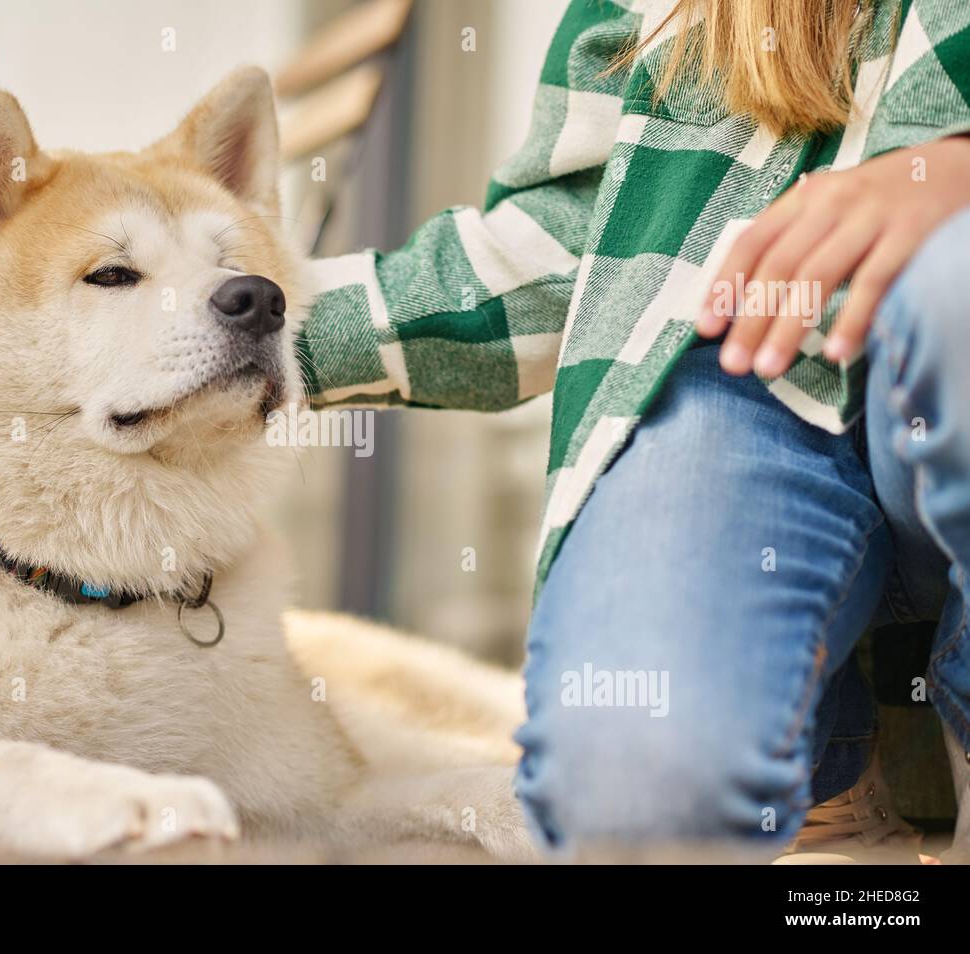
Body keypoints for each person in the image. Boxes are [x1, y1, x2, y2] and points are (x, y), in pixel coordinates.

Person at [299, 0, 970, 861]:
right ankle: (827, 779)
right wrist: (241, 329)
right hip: (740, 376)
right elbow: (560, 250)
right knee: (632, 793)